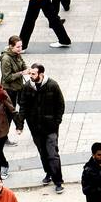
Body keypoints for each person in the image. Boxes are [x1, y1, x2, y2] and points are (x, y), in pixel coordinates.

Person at [22, 63, 65, 192]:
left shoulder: (52, 85)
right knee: (43, 153)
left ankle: (58, 181)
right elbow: (23, 106)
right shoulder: (27, 87)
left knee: (53, 154)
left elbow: (60, 104)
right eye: (30, 73)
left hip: (51, 128)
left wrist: (57, 121)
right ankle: (49, 173)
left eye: (33, 74)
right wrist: (21, 124)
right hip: (36, 128)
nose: (30, 76)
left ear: (41, 74)